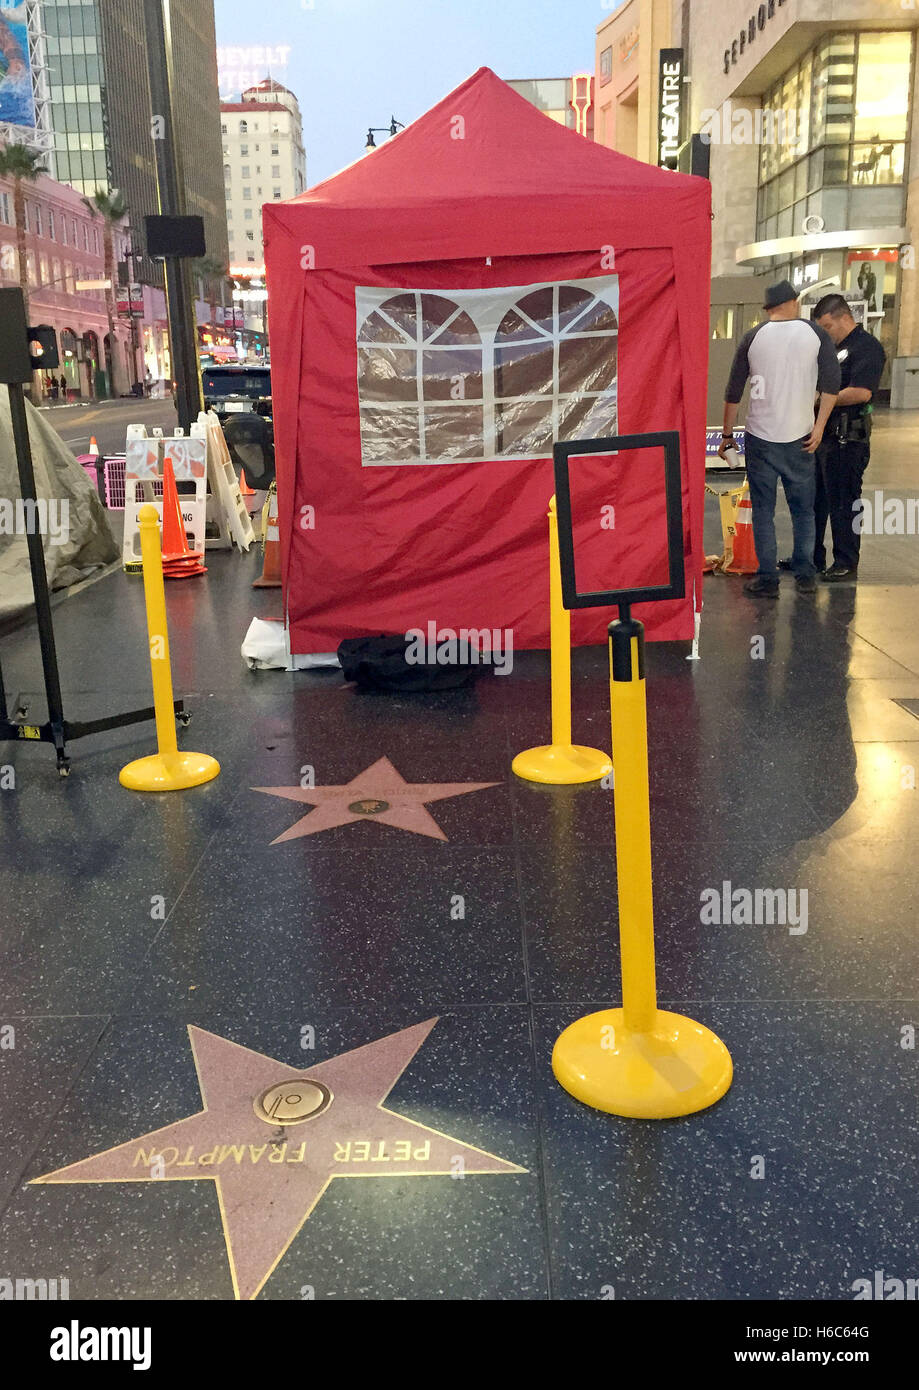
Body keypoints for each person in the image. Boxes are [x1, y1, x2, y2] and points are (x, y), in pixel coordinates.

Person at [719, 279, 840, 598]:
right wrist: (819, 427)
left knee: (763, 511)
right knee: (804, 510)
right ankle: (805, 575)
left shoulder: (753, 336)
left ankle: (768, 579)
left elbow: (733, 392)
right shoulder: (816, 335)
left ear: (769, 308)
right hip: (801, 438)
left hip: (760, 438)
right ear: (793, 302)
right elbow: (831, 386)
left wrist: (728, 435)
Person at [809, 294, 886, 582]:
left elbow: (861, 392)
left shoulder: (866, 348)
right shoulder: (832, 349)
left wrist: (820, 401)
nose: (825, 333)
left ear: (844, 318)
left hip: (848, 438)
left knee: (844, 502)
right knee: (814, 501)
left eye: (828, 326)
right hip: (824, 437)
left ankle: (846, 560)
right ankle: (811, 556)